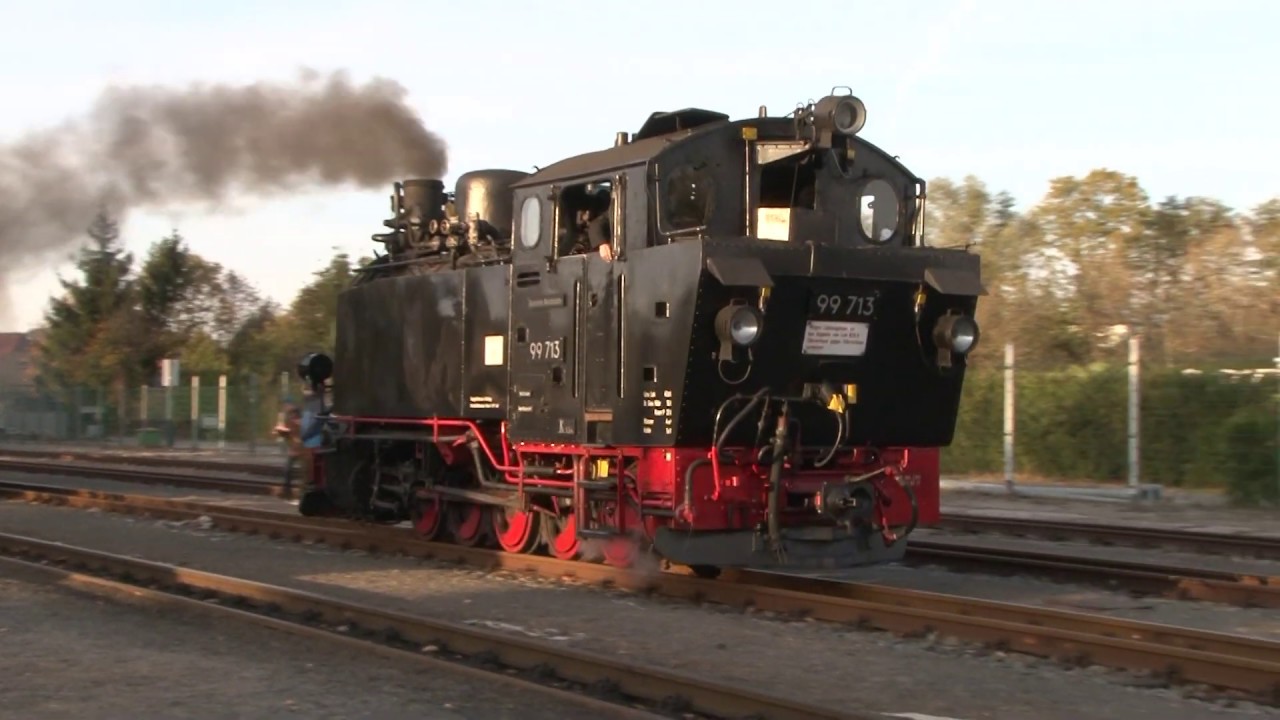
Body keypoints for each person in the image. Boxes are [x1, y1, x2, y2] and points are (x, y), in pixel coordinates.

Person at [274, 403, 302, 494]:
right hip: (294, 450)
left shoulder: (300, 422)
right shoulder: (290, 422)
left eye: (293, 414)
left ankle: (297, 489)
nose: (291, 416)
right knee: (287, 469)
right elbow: (289, 435)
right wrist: (282, 432)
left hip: (302, 450)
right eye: (290, 414)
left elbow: (297, 433)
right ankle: (287, 489)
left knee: (304, 470)